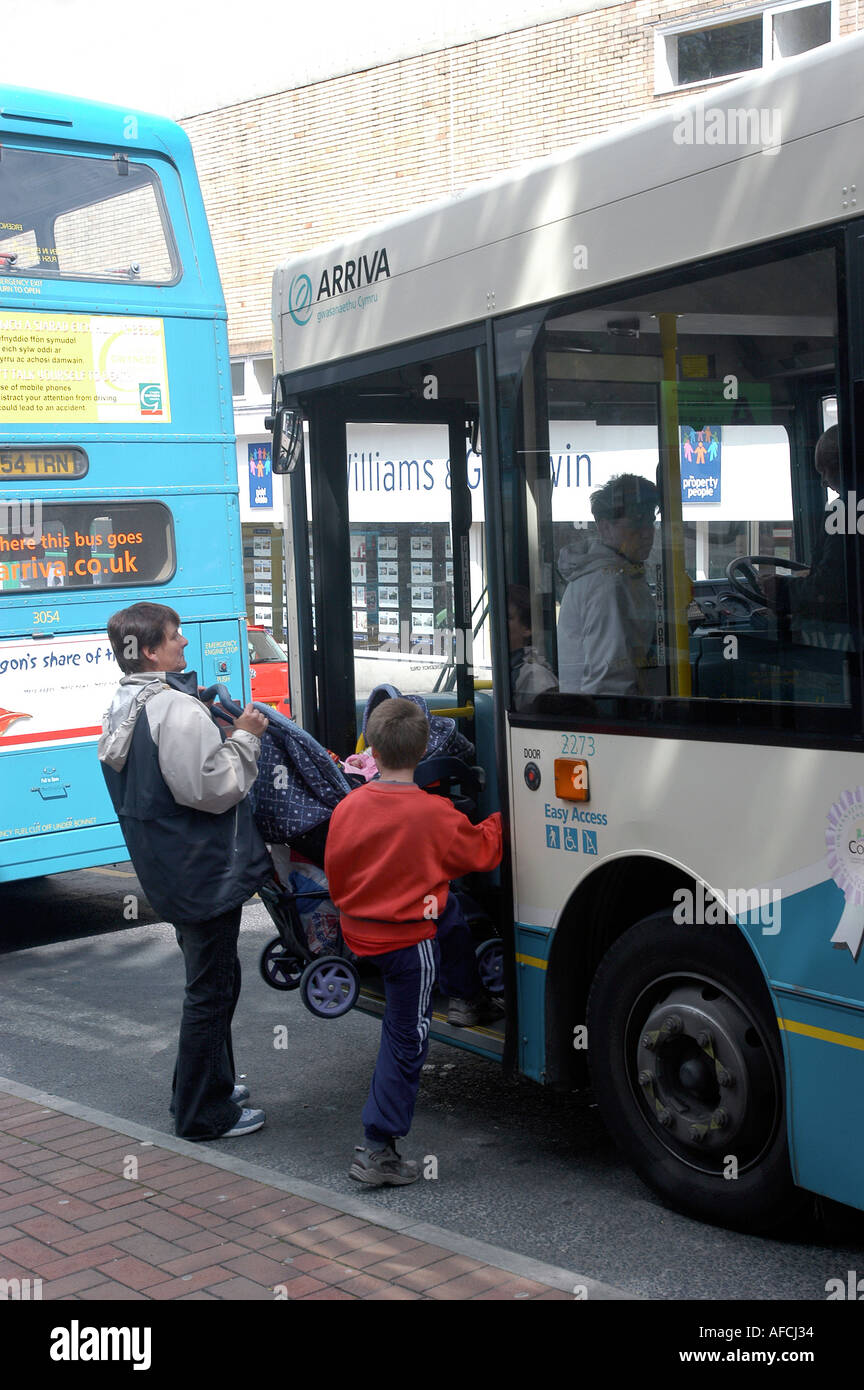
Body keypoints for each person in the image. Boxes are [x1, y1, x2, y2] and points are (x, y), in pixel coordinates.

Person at [98, 602, 272, 1141]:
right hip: (204, 873)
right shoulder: (173, 709)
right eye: (175, 637)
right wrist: (245, 736)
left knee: (213, 981)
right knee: (211, 989)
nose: (184, 644)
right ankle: (202, 1113)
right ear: (150, 651)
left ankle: (206, 1087)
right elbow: (211, 788)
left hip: (168, 871)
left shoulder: (125, 703)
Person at [324, 697, 503, 1186]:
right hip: (406, 944)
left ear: (372, 750)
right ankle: (378, 1149)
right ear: (424, 749)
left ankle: (469, 996)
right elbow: (481, 853)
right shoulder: (435, 812)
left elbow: (338, 876)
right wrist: (504, 820)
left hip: (360, 931)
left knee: (447, 910)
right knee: (406, 1040)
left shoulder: (349, 806)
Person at [557, 473, 660, 696]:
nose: (646, 533)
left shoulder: (624, 571)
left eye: (650, 522)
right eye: (636, 523)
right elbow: (609, 684)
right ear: (604, 528)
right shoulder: (608, 584)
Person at [508, 584, 558, 710]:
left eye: (508, 617)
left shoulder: (536, 677)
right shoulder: (507, 670)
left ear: (527, 628)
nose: (496, 624)